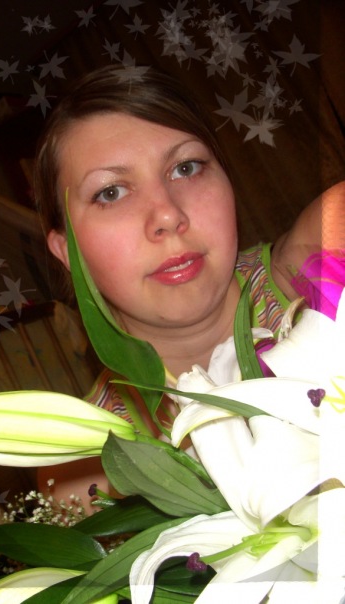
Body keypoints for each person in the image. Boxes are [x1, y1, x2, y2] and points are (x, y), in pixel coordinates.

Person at [34, 65, 345, 506]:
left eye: (186, 167)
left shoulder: (330, 253)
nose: (167, 215)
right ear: (67, 250)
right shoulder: (86, 467)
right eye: (111, 192)